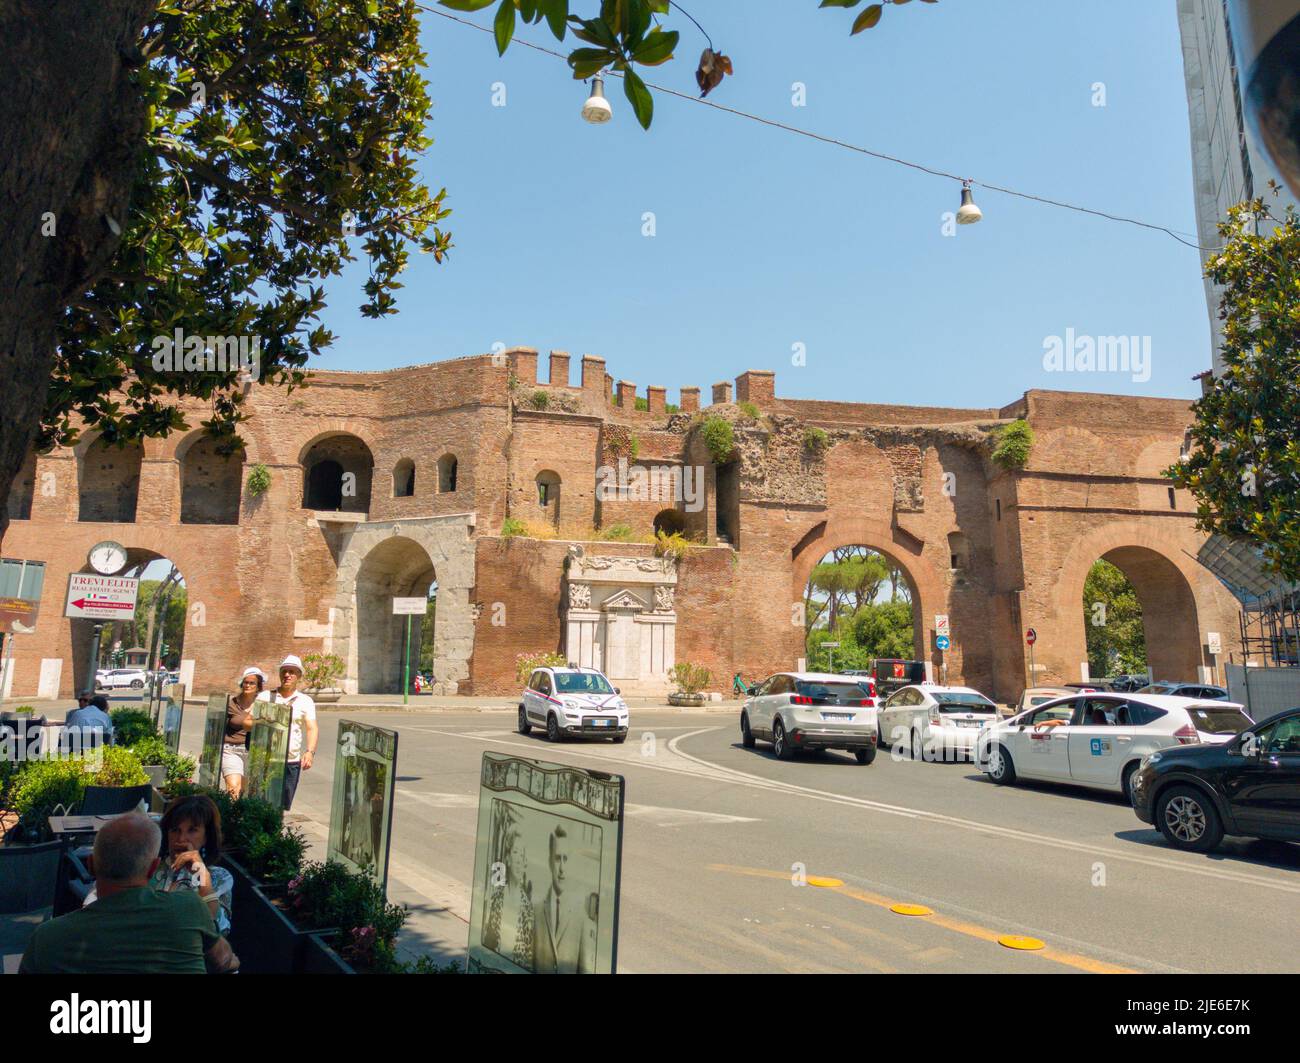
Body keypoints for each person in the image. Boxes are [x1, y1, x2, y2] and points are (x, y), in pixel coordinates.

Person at [20, 813, 238, 974]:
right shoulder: (188, 907)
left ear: (91, 865)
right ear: (153, 868)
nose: (181, 838)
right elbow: (224, 960)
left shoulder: (46, 938)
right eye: (175, 830)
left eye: (192, 830)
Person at [532, 824, 597, 974]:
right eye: (557, 858)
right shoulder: (537, 911)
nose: (562, 867)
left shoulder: (581, 917)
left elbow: (584, 970)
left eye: (566, 859)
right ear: (549, 862)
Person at [256, 655, 317, 811]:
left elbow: (312, 727)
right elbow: (250, 723)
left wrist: (309, 752)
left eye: (292, 672)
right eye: (284, 671)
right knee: (262, 803)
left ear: (299, 676)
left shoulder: (305, 701)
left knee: (282, 806)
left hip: (291, 761)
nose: (287, 675)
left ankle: (274, 832)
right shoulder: (265, 697)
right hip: (266, 760)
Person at [484, 828, 534, 968]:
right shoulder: (497, 897)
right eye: (516, 852)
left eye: (522, 855)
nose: (519, 860)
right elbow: (489, 941)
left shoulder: (527, 908)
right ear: (508, 858)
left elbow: (527, 959)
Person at [223, 666, 265, 798]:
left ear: (258, 686)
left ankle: (237, 817)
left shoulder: (263, 705)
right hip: (231, 750)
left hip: (252, 752)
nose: (247, 685)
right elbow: (218, 728)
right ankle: (231, 818)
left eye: (252, 683)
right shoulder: (231, 704)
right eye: (245, 682)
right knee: (234, 787)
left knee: (245, 792)